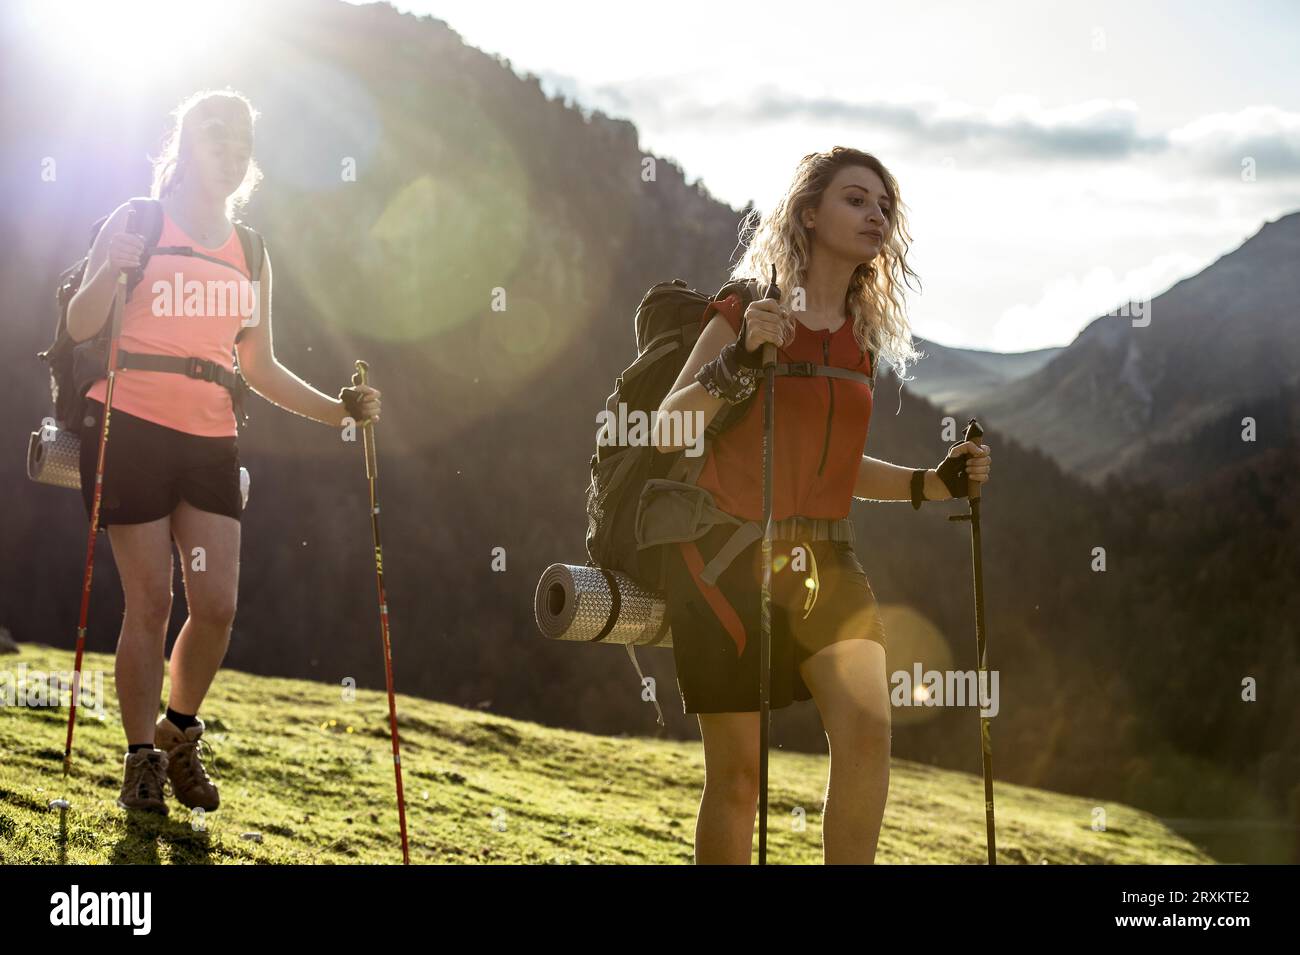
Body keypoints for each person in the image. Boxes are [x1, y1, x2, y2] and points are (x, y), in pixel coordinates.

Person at [651, 147, 993, 864]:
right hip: (721, 551)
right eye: (856, 199)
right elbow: (667, 427)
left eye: (884, 206)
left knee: (869, 735)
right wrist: (738, 359)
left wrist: (933, 484)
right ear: (809, 212)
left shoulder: (858, 339)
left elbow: (836, 468)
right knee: (740, 778)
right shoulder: (749, 307)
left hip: (824, 553)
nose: (876, 215)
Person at [65, 89, 382, 816]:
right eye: (217, 137)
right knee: (149, 600)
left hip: (209, 438)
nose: (232, 152)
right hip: (129, 424)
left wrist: (337, 408)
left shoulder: (252, 250)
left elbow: (260, 367)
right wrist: (110, 268)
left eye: (242, 142)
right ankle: (140, 759)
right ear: (186, 144)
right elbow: (83, 322)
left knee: (216, 604)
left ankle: (178, 733)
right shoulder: (139, 221)